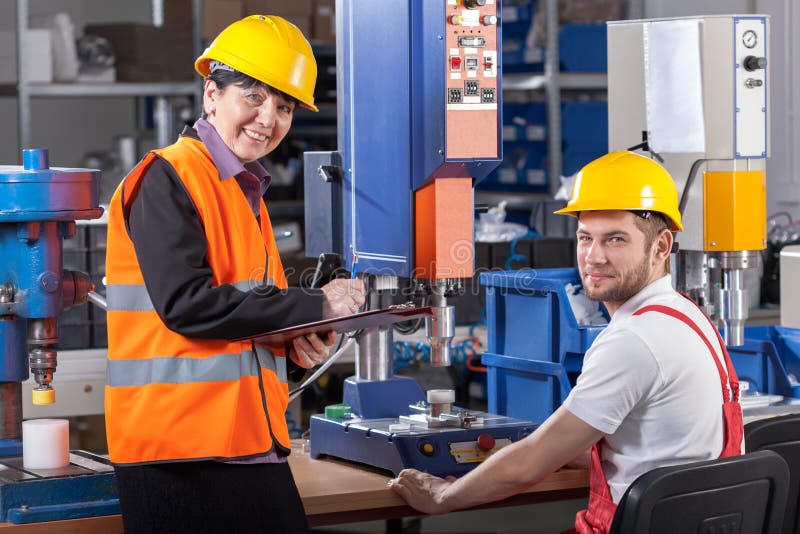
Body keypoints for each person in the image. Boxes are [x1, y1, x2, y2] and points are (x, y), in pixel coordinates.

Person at [104, 15, 365, 534]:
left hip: (247, 445)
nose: (268, 119)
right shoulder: (167, 176)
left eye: (284, 107)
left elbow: (240, 319)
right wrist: (317, 305)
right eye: (254, 96)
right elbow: (189, 305)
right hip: (180, 459)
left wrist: (292, 345)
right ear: (211, 94)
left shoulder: (245, 192)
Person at [389, 151, 743, 533]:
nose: (594, 257)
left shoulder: (633, 339)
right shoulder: (688, 315)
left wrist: (444, 497)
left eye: (616, 240)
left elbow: (528, 467)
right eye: (586, 238)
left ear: (660, 247)